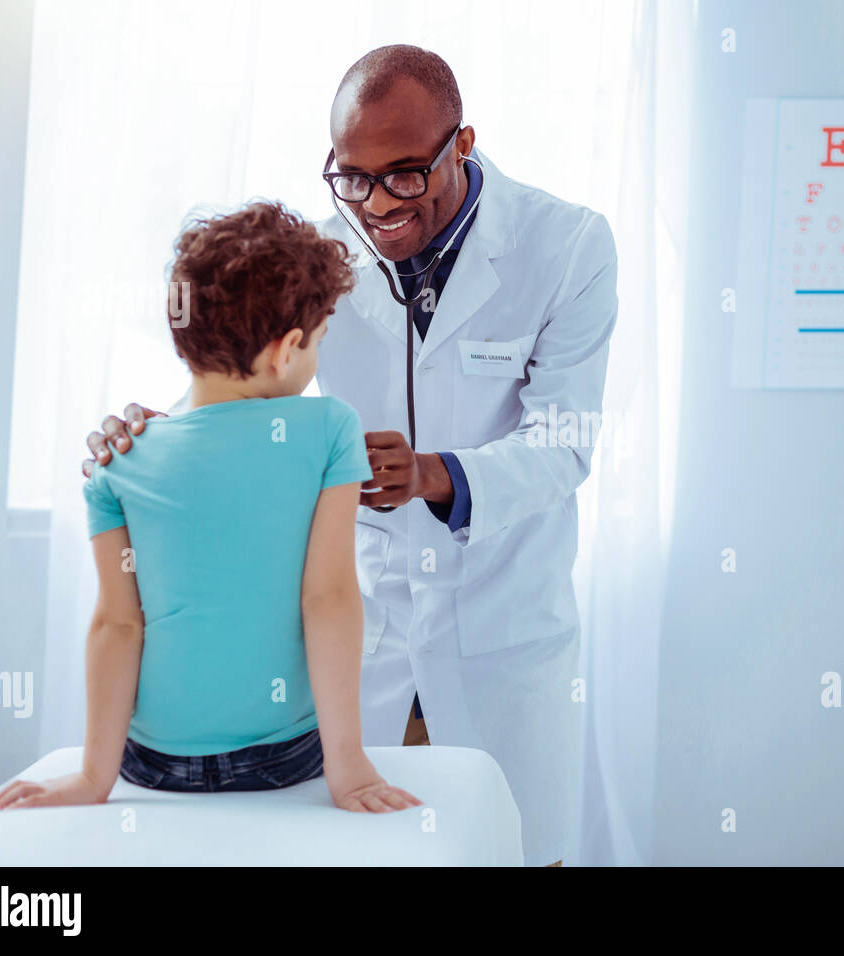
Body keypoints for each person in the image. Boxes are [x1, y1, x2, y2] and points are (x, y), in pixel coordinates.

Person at [83, 45, 617, 865]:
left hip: (503, 636)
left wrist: (434, 474)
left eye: (404, 175)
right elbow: (238, 381)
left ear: (461, 145)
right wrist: (150, 432)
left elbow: (565, 440)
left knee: (521, 851)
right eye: (352, 177)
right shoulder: (323, 257)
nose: (375, 204)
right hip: (366, 642)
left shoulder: (568, 246)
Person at [0, 201, 420, 813]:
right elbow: (327, 598)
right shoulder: (329, 429)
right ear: (288, 348)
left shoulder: (119, 460)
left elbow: (118, 625)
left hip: (153, 767)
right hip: (283, 758)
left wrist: (94, 777)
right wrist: (347, 768)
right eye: (319, 341)